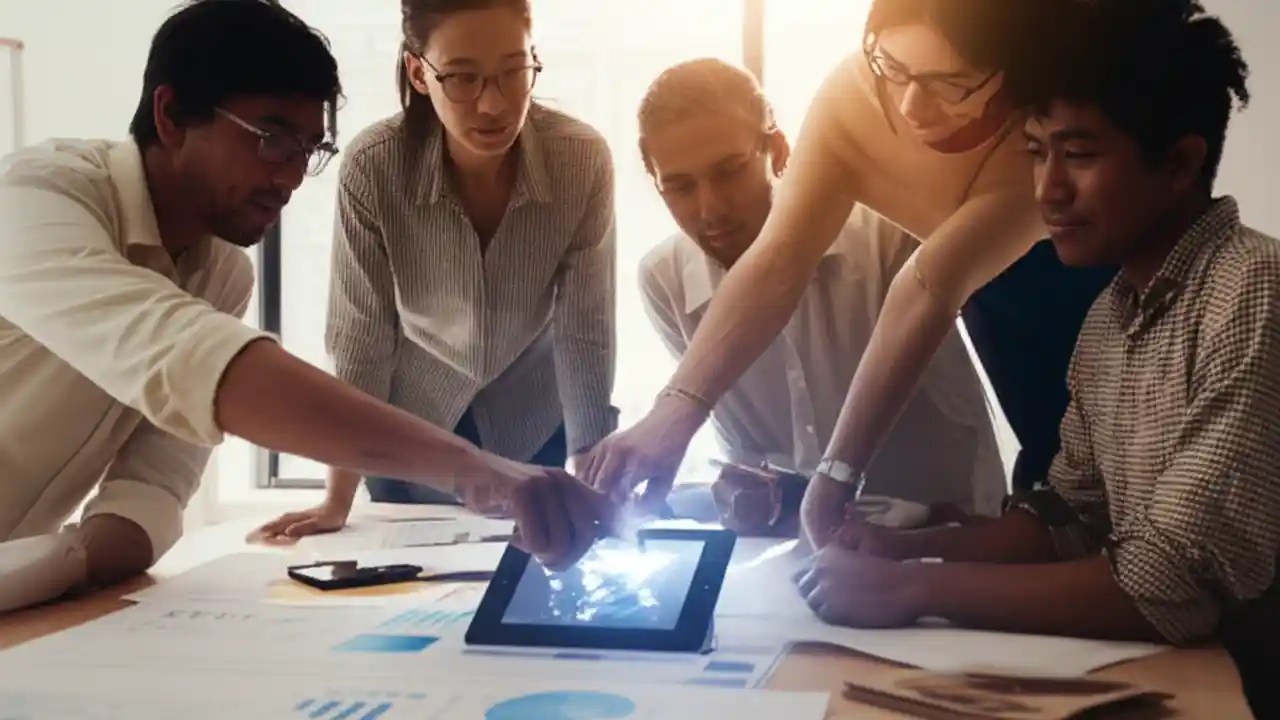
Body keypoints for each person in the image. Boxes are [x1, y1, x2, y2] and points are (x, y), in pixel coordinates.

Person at [0, 0, 610, 614]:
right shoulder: (32, 197)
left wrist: (59, 563)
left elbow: (152, 489)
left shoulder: (219, 273)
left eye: (307, 150)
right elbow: (181, 352)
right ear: (170, 115)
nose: (291, 178)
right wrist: (478, 471)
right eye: (271, 141)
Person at [795, 0, 1278, 675]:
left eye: (1078, 155)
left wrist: (913, 588)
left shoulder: (1252, 290)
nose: (1047, 190)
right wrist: (901, 549)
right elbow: (1064, 520)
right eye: (1035, 152)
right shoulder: (1114, 315)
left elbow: (1169, 585)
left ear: (1179, 164)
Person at [581, 0, 1094, 548]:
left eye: (950, 82)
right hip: (985, 302)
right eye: (892, 67)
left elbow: (929, 285)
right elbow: (779, 256)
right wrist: (676, 411)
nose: (911, 104)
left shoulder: (1043, 138)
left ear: (1013, 77)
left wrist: (836, 475)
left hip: (1076, 299)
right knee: (1049, 501)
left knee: (1088, 505)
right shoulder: (853, 94)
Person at [255, 0, 618, 540]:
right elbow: (362, 337)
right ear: (418, 72)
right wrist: (336, 500)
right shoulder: (375, 165)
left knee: (513, 591)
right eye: (464, 78)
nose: (494, 104)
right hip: (406, 430)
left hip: (531, 420)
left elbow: (585, 330)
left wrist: (596, 483)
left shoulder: (581, 159)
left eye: (514, 72)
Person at [634, 58, 1005, 531]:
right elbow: (745, 449)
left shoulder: (887, 234)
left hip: (949, 529)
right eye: (680, 187)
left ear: (780, 150)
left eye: (730, 171)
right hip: (790, 542)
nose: (711, 209)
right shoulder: (664, 281)